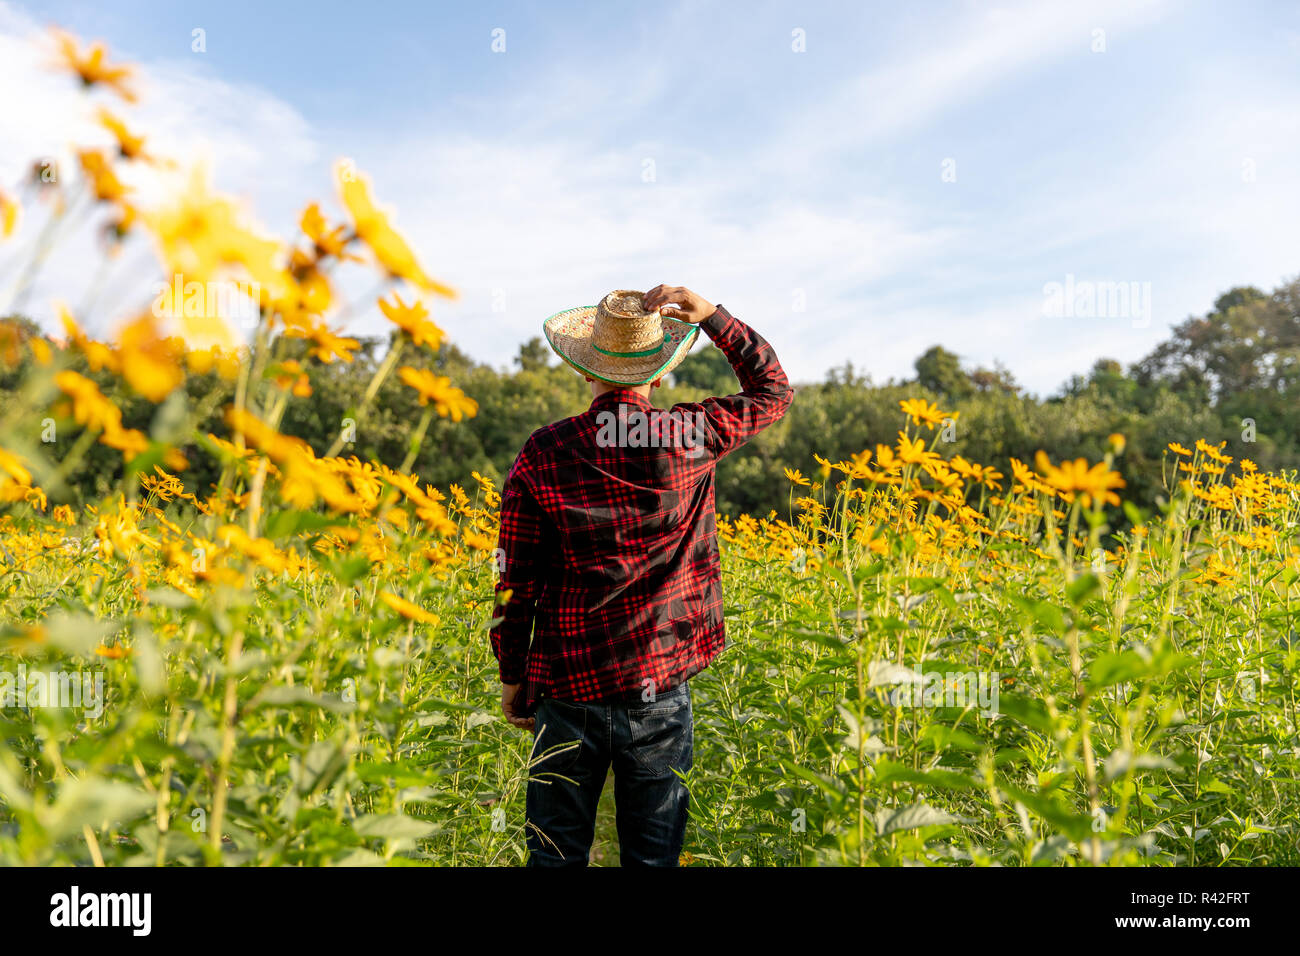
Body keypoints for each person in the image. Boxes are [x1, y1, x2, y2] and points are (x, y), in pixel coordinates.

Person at [489, 284, 793, 866]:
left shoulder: (544, 451)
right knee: (653, 861)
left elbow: (514, 582)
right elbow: (772, 391)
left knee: (555, 856)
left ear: (586, 372)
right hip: (658, 685)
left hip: (568, 687)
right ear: (659, 373)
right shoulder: (688, 437)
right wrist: (714, 318)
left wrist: (513, 677)